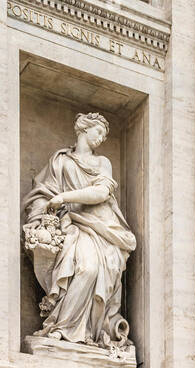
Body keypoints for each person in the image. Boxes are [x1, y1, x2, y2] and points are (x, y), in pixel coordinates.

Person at [23, 113, 136, 352]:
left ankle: (88, 332)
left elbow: (101, 193)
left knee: (92, 268)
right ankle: (62, 328)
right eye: (99, 132)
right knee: (86, 268)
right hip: (71, 225)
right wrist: (39, 217)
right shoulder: (60, 161)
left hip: (102, 226)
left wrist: (64, 197)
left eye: (105, 135)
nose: (102, 138)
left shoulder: (102, 162)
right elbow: (43, 193)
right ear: (84, 129)